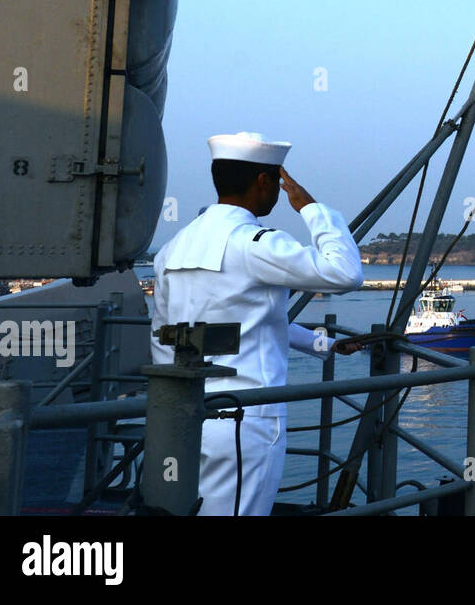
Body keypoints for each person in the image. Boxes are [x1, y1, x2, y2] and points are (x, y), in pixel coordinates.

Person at [149, 131, 364, 515]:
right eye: (278, 185)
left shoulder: (173, 248)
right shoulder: (254, 243)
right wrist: (312, 209)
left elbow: (195, 330)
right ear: (264, 182)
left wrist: (324, 344)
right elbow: (344, 273)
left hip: (182, 411)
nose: (281, 195)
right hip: (245, 416)